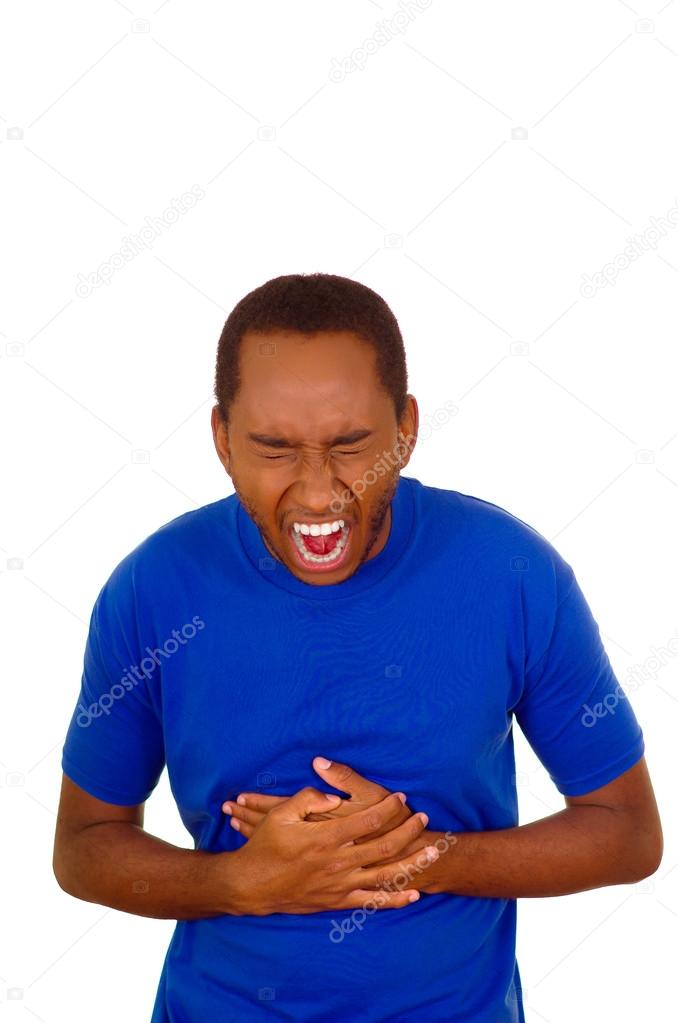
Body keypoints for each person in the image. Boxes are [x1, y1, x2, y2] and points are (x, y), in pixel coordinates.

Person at [53, 273, 662, 1022]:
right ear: (222, 440)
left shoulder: (511, 572)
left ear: (406, 428)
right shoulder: (153, 588)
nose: (317, 492)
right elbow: (84, 846)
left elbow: (628, 833)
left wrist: (425, 857)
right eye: (273, 447)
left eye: (350, 445)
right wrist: (243, 882)